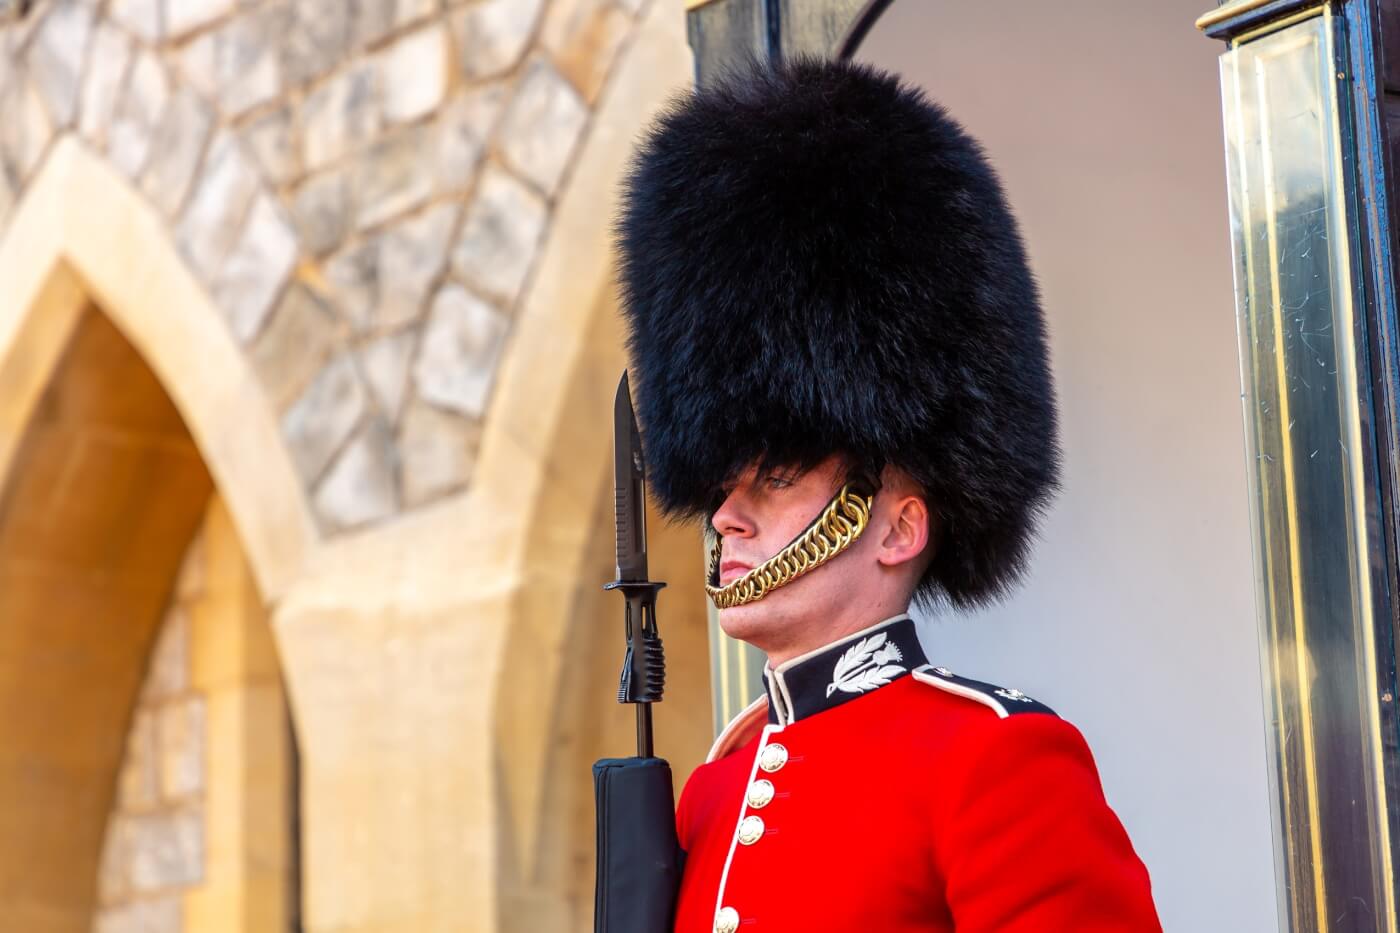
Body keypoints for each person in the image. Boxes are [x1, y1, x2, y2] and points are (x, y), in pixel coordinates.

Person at [613, 53, 1162, 932]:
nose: (726, 515)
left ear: (898, 525)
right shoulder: (720, 781)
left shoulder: (993, 758)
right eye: (723, 484)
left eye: (778, 477)